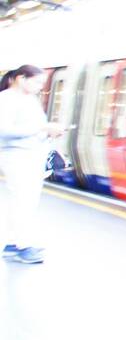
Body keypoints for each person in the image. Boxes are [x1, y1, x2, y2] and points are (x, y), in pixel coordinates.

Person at [0, 65, 63, 264]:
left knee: (25, 201)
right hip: (16, 156)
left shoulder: (30, 100)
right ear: (21, 78)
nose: (39, 87)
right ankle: (23, 246)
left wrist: (49, 131)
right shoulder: (6, 99)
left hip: (31, 156)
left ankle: (12, 244)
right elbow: (4, 130)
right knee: (23, 201)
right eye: (36, 82)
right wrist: (42, 128)